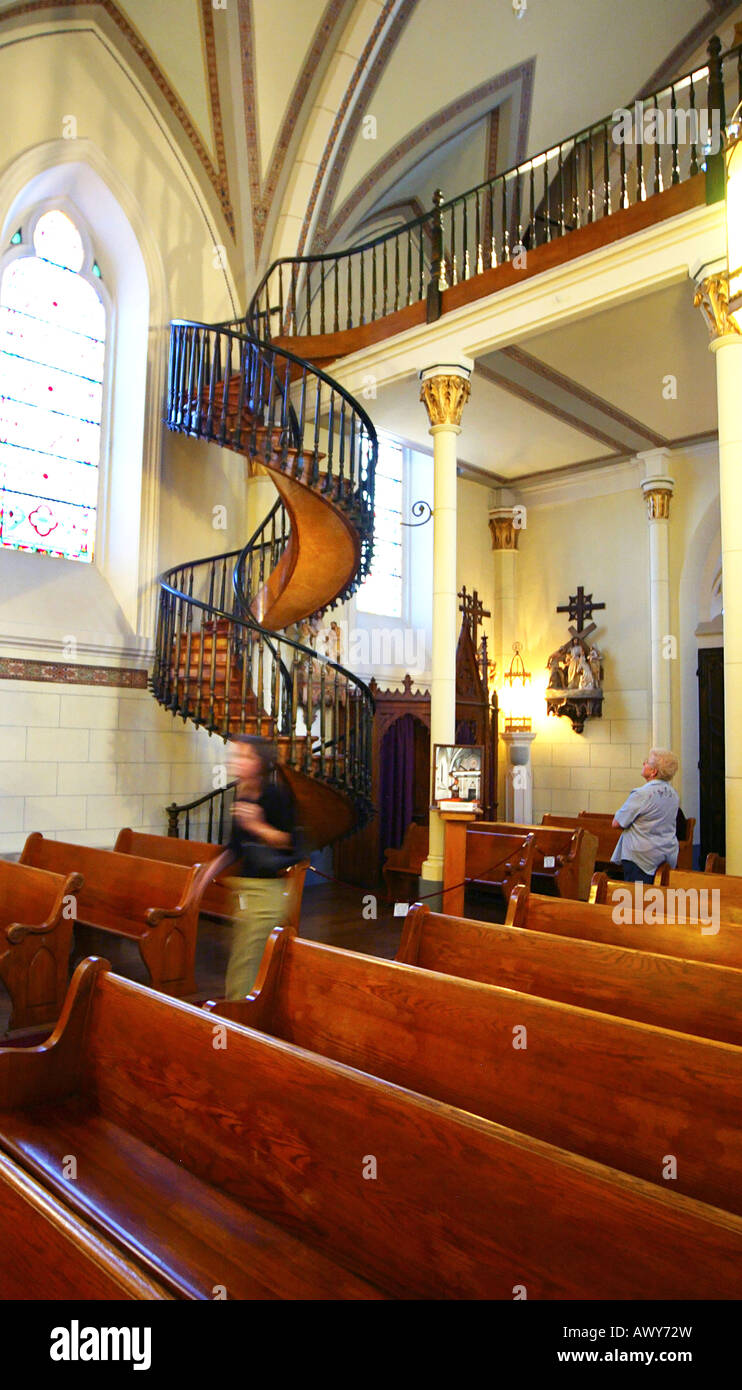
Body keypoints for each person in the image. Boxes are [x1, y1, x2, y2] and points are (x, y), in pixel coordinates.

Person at [214, 735, 299, 999]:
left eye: (245, 756)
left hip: (267, 892)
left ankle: (240, 1019)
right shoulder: (241, 793)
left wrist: (259, 826)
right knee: (243, 957)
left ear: (261, 762)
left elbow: (294, 844)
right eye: (235, 755)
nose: (236, 761)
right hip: (245, 890)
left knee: (247, 960)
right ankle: (242, 1012)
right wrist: (206, 873)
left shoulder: (275, 795)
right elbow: (235, 847)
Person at [610, 749, 680, 883]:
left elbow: (617, 823)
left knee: (638, 899)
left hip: (641, 858)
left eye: (646, 762)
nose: (643, 763)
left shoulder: (642, 794)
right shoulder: (673, 794)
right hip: (664, 853)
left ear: (653, 771)